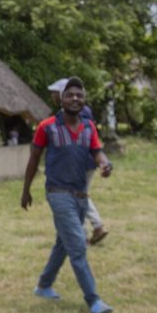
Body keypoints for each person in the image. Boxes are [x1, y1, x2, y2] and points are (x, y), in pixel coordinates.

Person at [22, 76, 114, 313]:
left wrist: (105, 164)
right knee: (77, 244)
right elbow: (33, 160)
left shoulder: (88, 127)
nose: (75, 98)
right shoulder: (47, 126)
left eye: (79, 95)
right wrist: (26, 190)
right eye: (70, 95)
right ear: (61, 99)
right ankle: (93, 299)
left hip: (81, 194)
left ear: (84, 101)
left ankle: (44, 285)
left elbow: (98, 152)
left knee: (63, 243)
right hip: (58, 193)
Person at [47, 78, 109, 245]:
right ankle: (83, 231)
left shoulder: (80, 111)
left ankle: (94, 227)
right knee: (76, 195)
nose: (52, 96)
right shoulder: (67, 111)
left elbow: (88, 138)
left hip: (83, 162)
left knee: (78, 195)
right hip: (79, 162)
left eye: (55, 93)